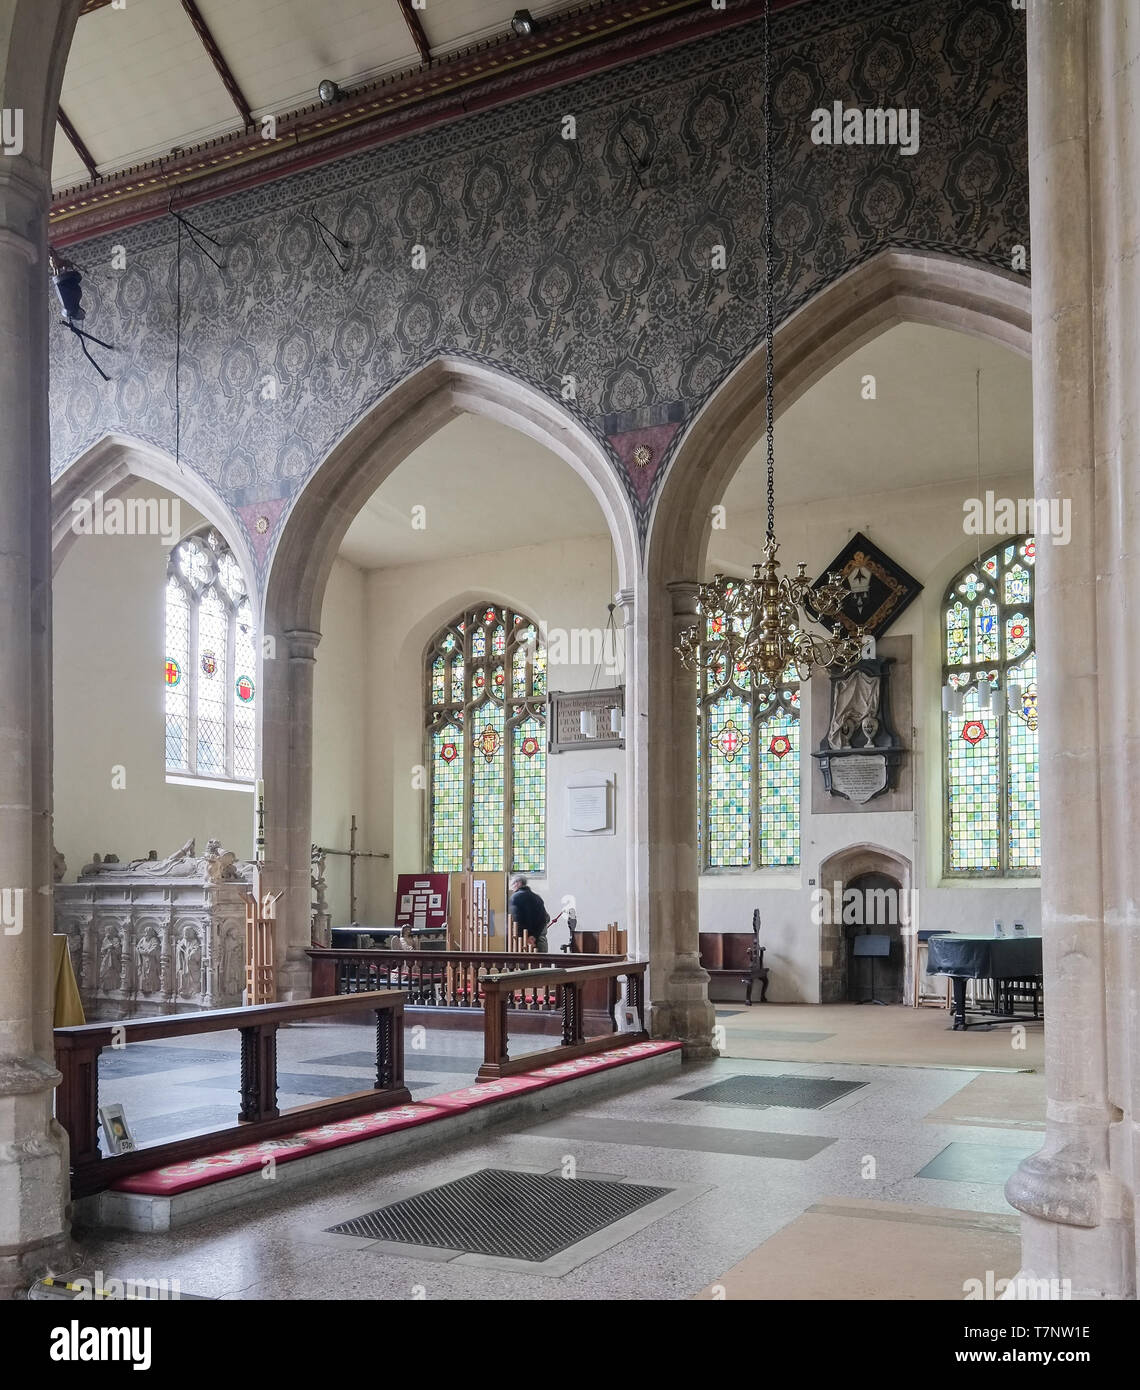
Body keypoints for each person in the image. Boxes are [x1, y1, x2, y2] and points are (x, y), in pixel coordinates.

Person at [509, 876, 550, 952]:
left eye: (512, 884)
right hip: (538, 941)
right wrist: (534, 936)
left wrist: (525, 937)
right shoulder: (537, 898)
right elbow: (544, 919)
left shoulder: (515, 897)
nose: (512, 888)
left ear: (519, 883)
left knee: (523, 962)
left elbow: (516, 919)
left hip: (522, 942)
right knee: (540, 963)